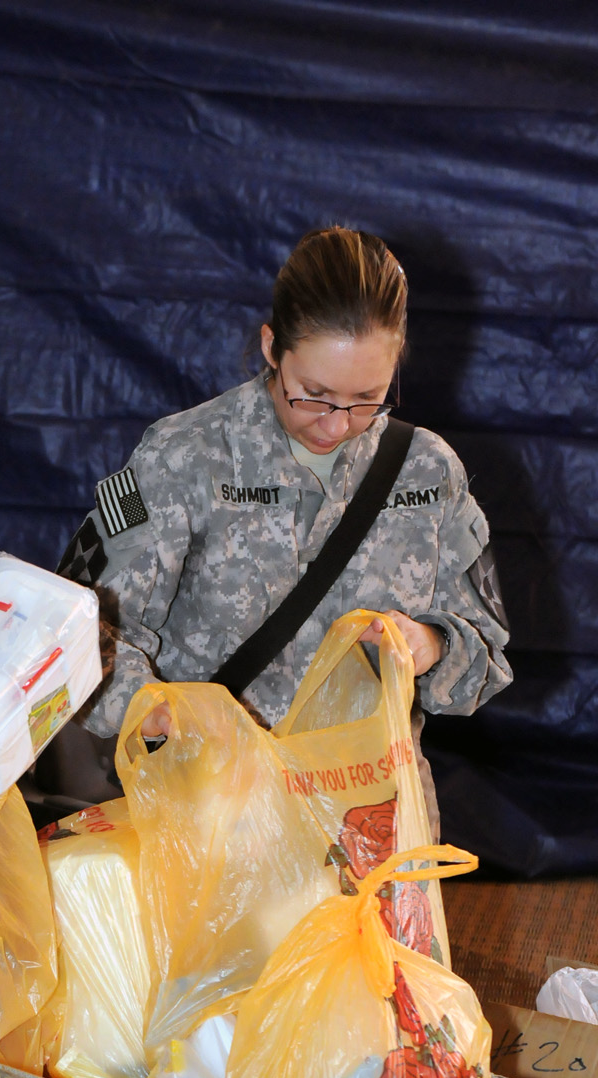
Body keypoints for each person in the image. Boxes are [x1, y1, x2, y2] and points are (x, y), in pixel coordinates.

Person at [58, 226, 512, 801]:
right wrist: (160, 714)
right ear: (273, 347)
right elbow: (73, 631)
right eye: (314, 394)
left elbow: (487, 653)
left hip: (369, 821)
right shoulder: (184, 457)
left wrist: (431, 645)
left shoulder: (426, 472)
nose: (338, 423)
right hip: (214, 814)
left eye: (368, 398)